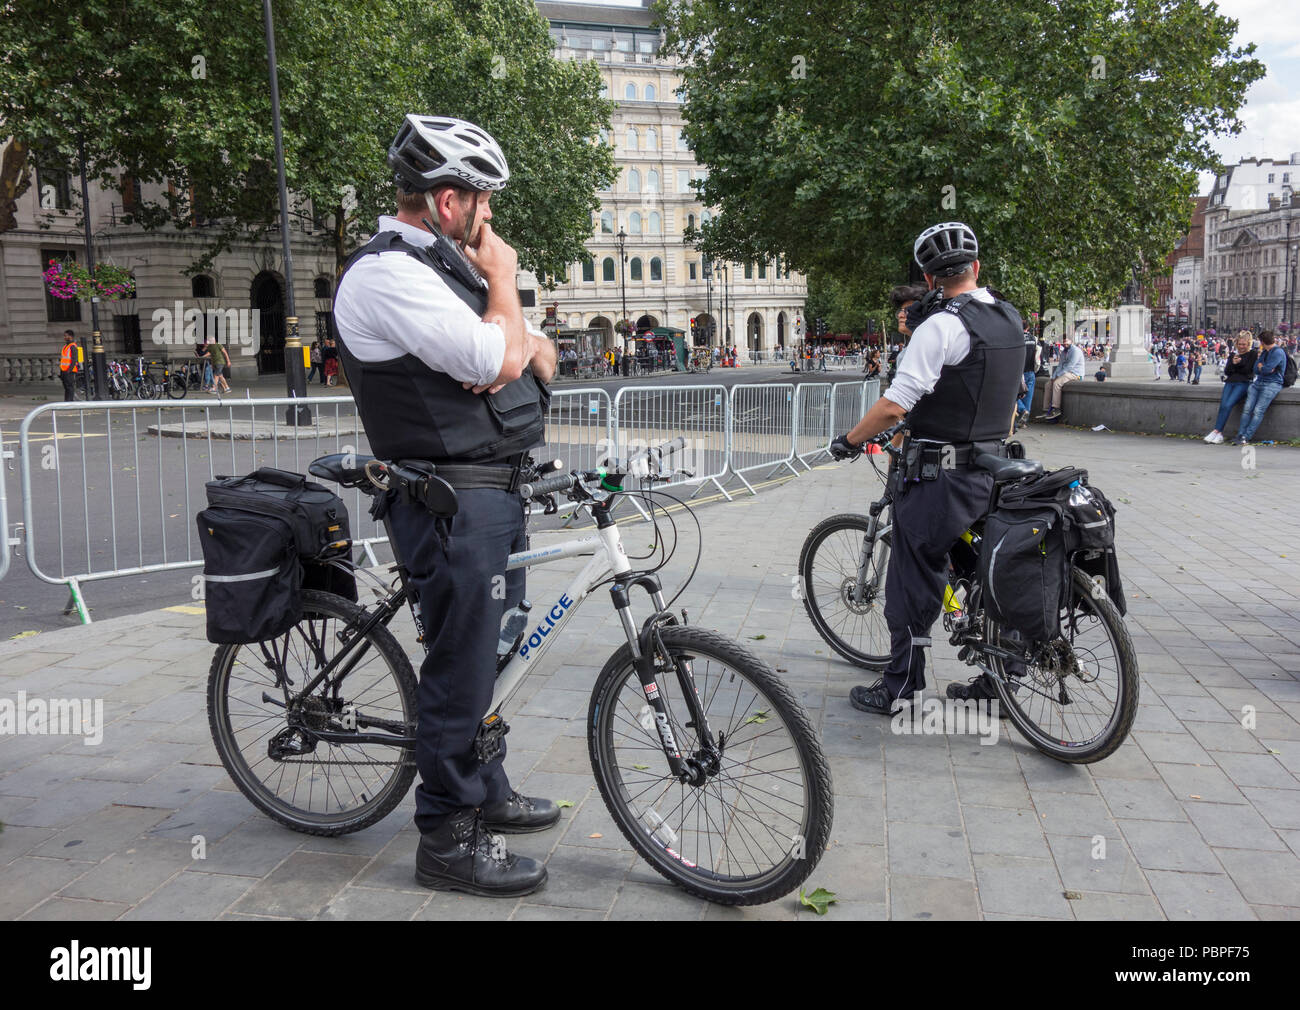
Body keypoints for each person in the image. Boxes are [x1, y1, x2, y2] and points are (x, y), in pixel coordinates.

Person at [332, 114, 557, 897]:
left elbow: (535, 357)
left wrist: (507, 344)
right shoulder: (388, 273)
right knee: (460, 666)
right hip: (446, 500)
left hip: (493, 487)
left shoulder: (443, 264)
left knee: (490, 652)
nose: (492, 218)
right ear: (448, 200)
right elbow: (496, 354)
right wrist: (505, 295)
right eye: (484, 201)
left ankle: (486, 790)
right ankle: (447, 837)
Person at [828, 222, 1023, 716]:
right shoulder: (1009, 317)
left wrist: (849, 441)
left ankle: (901, 688)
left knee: (910, 586)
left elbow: (896, 405)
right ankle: (1003, 681)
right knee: (989, 573)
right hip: (995, 470)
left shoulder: (941, 325)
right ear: (976, 269)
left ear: (930, 278)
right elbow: (1011, 397)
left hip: (943, 478)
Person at [1231, 330, 1288, 446]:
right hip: (1259, 382)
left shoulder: (1278, 352)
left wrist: (1263, 367)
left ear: (1262, 342)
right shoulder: (1265, 352)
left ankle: (1246, 437)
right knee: (1247, 409)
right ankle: (1240, 435)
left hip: (1272, 384)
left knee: (1258, 411)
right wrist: (1264, 368)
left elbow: (1265, 369)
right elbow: (1256, 369)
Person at [1203, 331, 1256, 444]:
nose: (1241, 347)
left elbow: (1248, 371)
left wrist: (1238, 364)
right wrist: (1233, 363)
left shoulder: (1252, 354)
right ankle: (1217, 433)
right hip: (1230, 382)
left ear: (1249, 344)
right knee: (1223, 405)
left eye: (1244, 344)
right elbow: (1227, 371)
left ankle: (1218, 430)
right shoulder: (1233, 355)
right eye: (1240, 344)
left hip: (1243, 383)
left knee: (1228, 405)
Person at [1040, 333, 1083, 420]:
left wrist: (1058, 376)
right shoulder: (1064, 352)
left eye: (1066, 341)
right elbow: (1060, 365)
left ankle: (1056, 408)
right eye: (1063, 342)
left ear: (1071, 341)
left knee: (1057, 383)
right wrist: (1053, 376)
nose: (1064, 343)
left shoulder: (1076, 351)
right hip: (1066, 373)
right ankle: (1047, 409)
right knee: (1048, 384)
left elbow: (1070, 366)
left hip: (1076, 374)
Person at [1015, 325, 1040, 429]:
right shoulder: (1034, 339)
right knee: (1028, 398)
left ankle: (1021, 410)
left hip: (1020, 371)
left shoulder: (1017, 338)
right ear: (1028, 327)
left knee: (1014, 395)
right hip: (1031, 372)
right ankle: (1024, 422)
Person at [59, 329, 80, 401]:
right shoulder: (65, 346)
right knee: (66, 387)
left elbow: (74, 359)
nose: (64, 337)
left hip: (70, 370)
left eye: (65, 336)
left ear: (70, 336)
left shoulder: (73, 346)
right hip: (64, 370)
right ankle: (67, 400)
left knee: (69, 386)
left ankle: (70, 401)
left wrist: (69, 370)